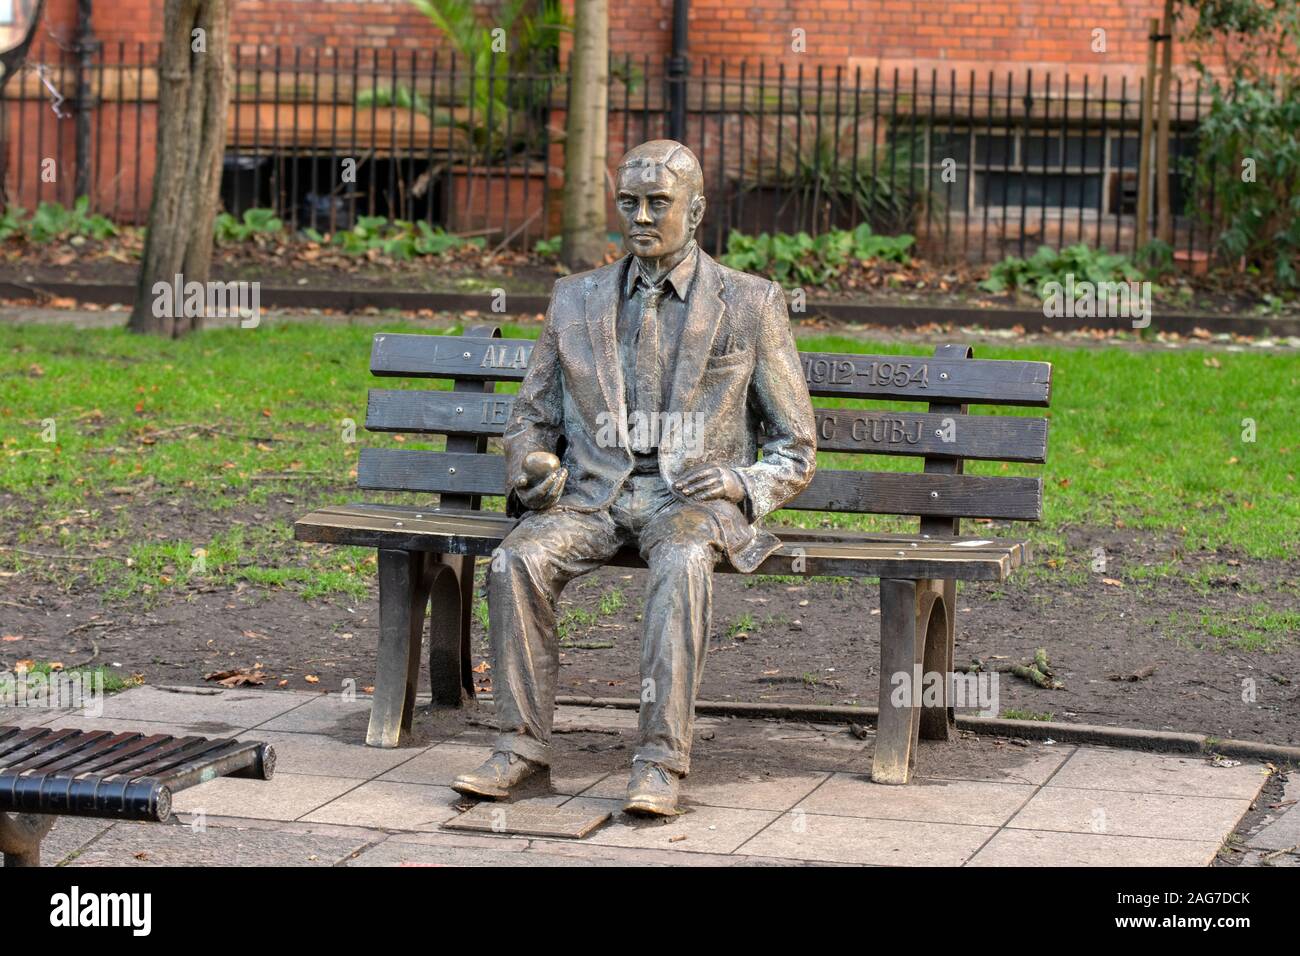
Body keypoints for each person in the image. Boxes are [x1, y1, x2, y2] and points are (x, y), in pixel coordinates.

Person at [451, 140, 816, 816]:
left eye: (658, 203)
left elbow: (795, 448)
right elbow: (529, 420)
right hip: (593, 496)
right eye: (629, 203)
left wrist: (739, 483)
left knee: (680, 561)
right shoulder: (574, 300)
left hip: (689, 501)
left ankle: (659, 763)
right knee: (515, 561)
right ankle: (520, 751)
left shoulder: (751, 303)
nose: (641, 217)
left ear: (697, 210)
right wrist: (533, 472)